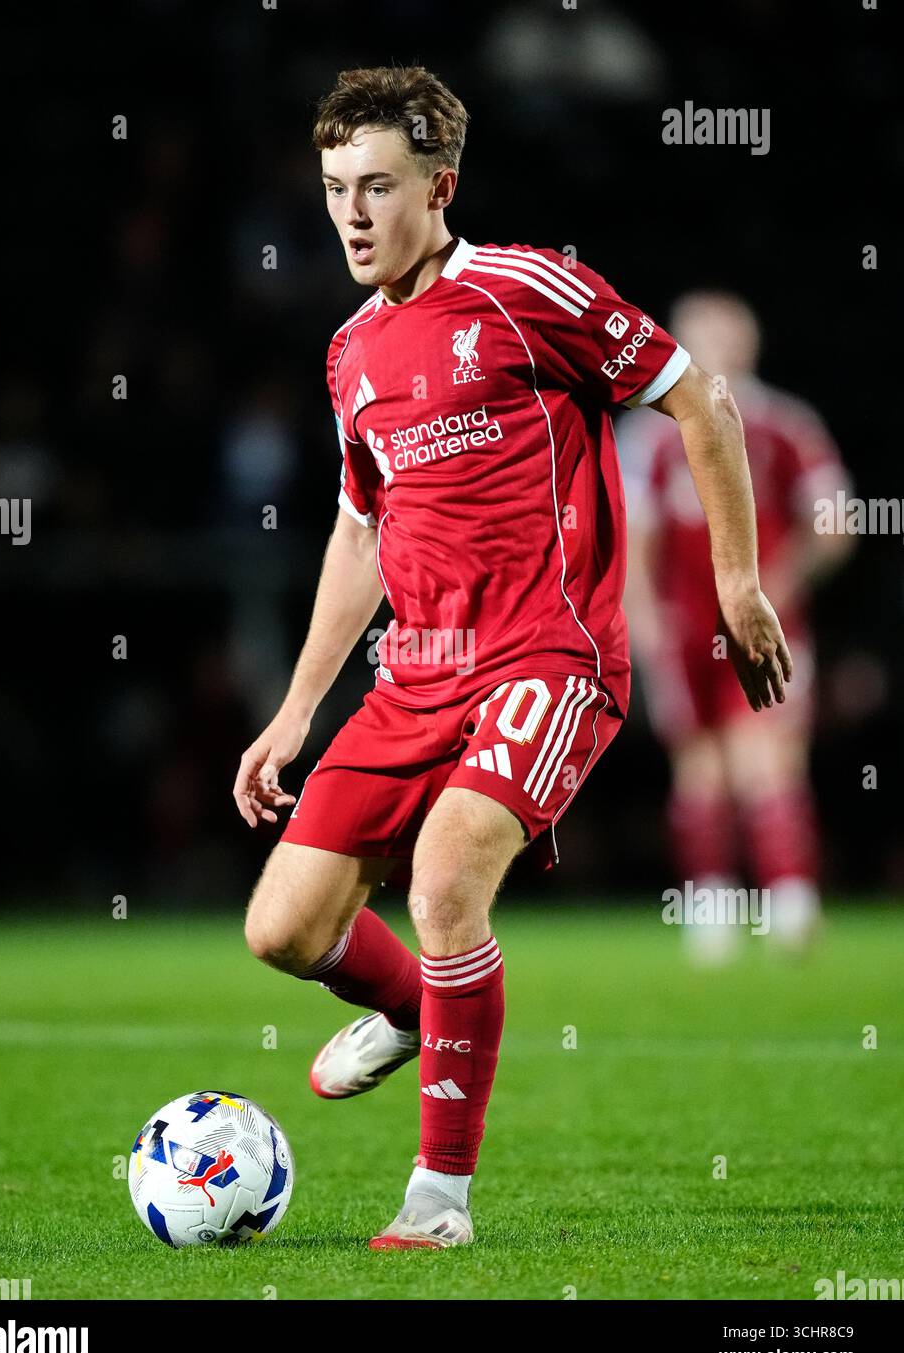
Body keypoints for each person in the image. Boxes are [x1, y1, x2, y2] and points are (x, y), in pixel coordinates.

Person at [232, 66, 790, 1248]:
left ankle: (439, 1202)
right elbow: (360, 530)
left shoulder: (526, 289)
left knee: (442, 882)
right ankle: (412, 1010)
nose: (352, 214)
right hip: (413, 676)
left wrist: (736, 583)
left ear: (439, 187)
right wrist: (294, 713)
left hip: (549, 657)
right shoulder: (349, 354)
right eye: (335, 188)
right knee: (281, 927)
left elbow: (703, 406)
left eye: (377, 186)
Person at [617, 291, 851, 962]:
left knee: (768, 760)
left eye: (726, 333)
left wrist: (781, 581)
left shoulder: (783, 423)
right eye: (700, 333)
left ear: (748, 342)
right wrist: (641, 618)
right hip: (684, 626)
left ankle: (789, 902)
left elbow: (834, 521)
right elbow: (635, 538)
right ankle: (712, 909)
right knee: (699, 770)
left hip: (763, 625)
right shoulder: (648, 433)